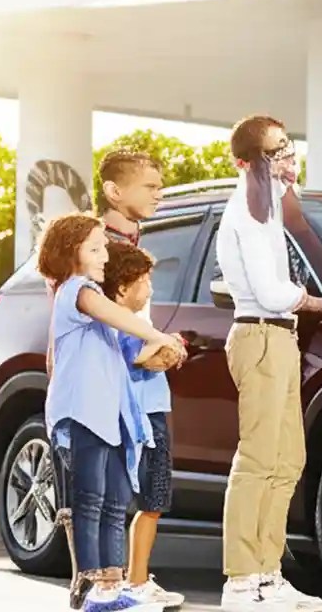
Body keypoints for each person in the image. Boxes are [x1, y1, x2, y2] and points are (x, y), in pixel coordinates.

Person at [39, 212, 186, 612]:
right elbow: (112, 314)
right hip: (82, 414)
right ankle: (93, 588)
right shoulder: (77, 291)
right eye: (96, 248)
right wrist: (157, 334)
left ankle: (113, 583)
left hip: (106, 418)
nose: (104, 254)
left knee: (115, 500)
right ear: (72, 254)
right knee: (90, 501)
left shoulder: (89, 294)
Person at [216, 115, 322, 612]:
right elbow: (269, 291)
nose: (287, 155)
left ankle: (268, 573)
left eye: (288, 145)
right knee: (259, 460)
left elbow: (297, 210)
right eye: (275, 151)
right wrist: (307, 301)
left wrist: (287, 180)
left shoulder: (267, 206)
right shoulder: (246, 211)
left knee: (288, 460)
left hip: (280, 339)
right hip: (261, 335)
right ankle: (242, 579)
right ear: (246, 162)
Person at [93, 149, 184, 607]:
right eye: (149, 186)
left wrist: (163, 347)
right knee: (108, 497)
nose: (159, 193)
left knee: (152, 491)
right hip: (114, 393)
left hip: (147, 391)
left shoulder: (133, 245)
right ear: (114, 190)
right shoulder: (94, 252)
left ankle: (135, 581)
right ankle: (104, 589)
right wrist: (146, 352)